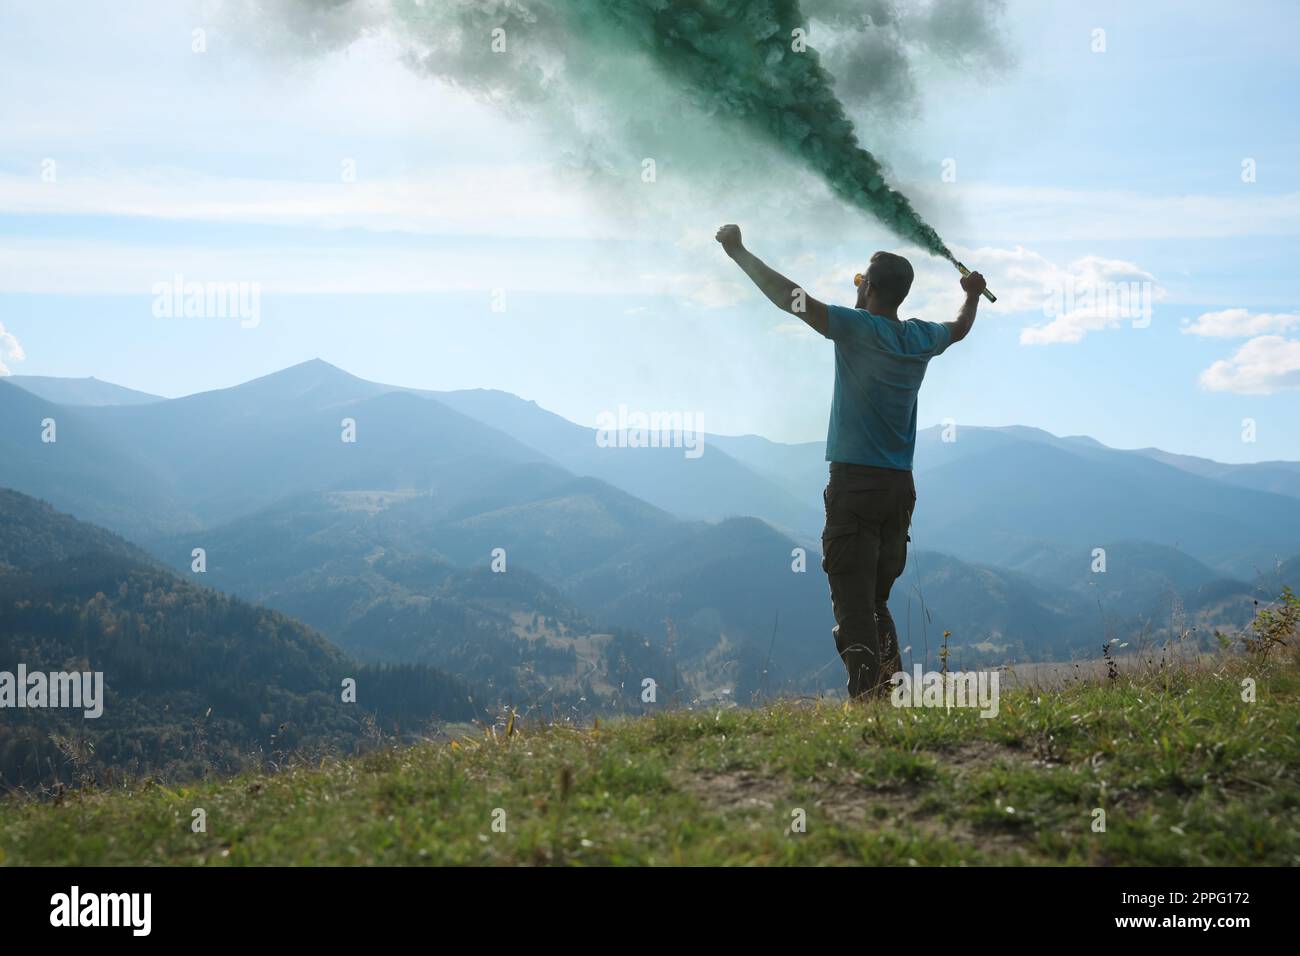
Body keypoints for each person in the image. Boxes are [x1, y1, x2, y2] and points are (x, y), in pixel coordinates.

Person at [715, 223, 985, 699]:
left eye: (861, 281)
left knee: (855, 606)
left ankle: (870, 702)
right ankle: (889, 697)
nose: (856, 287)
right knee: (875, 601)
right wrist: (973, 294)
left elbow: (790, 299)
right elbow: (960, 329)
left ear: (871, 288)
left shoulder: (856, 327)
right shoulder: (920, 337)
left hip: (856, 488)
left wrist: (738, 251)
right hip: (899, 490)